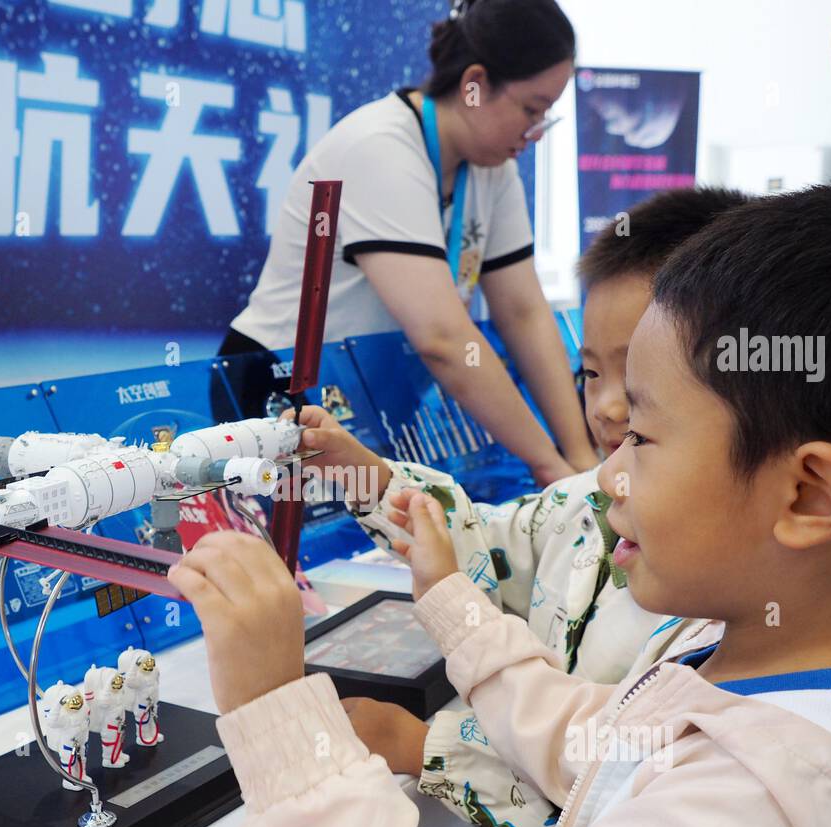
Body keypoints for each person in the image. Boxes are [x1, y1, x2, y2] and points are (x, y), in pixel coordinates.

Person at [169, 178, 831, 827]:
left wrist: (276, 713)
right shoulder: (780, 664)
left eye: (646, 437)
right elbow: (596, 737)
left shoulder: (743, 818)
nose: (609, 474)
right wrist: (450, 602)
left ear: (807, 495)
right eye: (595, 380)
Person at [290, 187, 752, 827]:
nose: (610, 408)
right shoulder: (585, 497)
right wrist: (361, 472)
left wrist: (423, 744)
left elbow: (597, 770)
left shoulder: (716, 604)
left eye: (641, 379)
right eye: (591, 373)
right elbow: (481, 538)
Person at [222, 0, 599, 484]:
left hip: (364, 404)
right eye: (532, 109)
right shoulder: (380, 147)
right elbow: (442, 339)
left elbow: (523, 312)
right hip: (279, 391)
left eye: (546, 114)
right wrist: (549, 466)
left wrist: (580, 460)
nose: (536, 133)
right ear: (475, 85)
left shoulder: (493, 171)